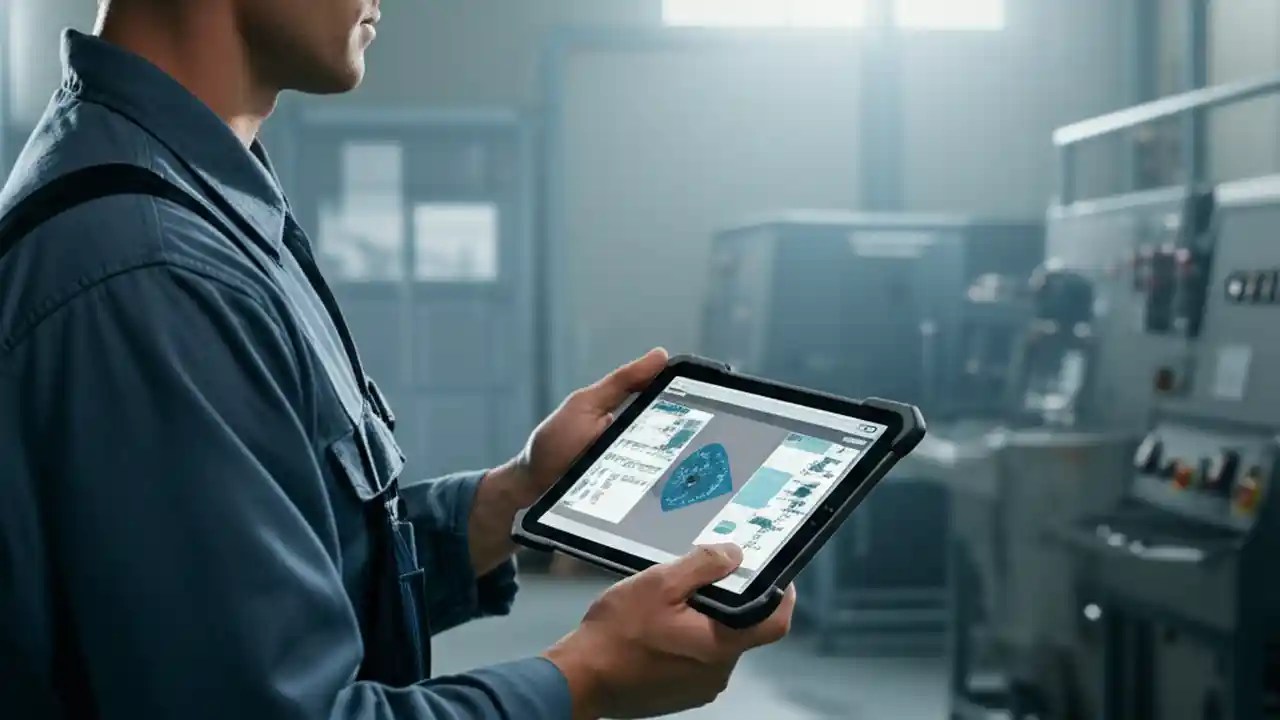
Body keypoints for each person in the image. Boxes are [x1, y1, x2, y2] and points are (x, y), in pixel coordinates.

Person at [0, 1, 795, 719]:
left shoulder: (188, 194)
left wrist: (515, 496)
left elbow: (281, 572)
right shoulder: (156, 271)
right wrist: (586, 679)